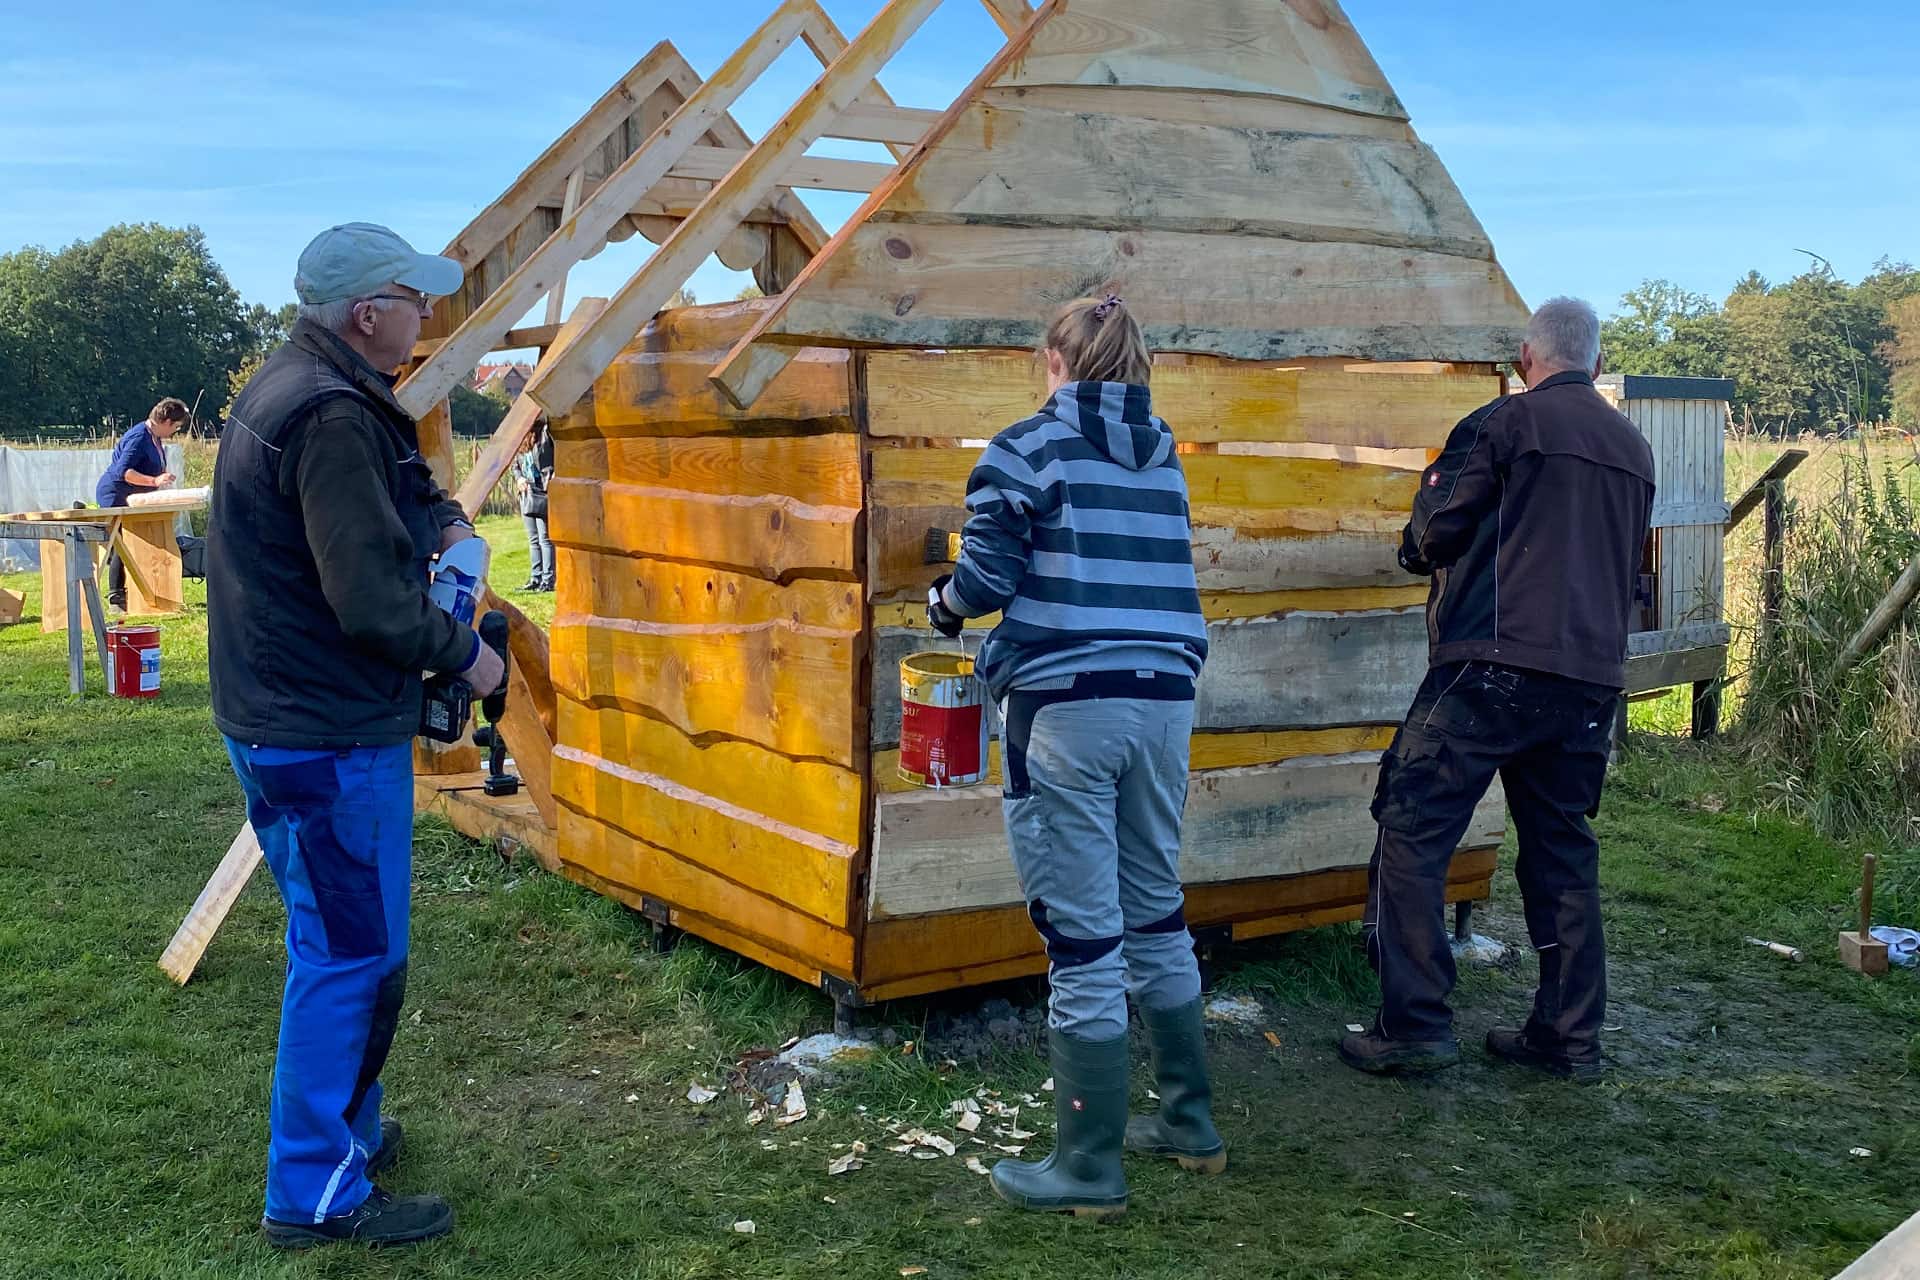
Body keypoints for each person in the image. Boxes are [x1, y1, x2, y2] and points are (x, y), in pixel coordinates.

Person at [207, 222, 504, 1249]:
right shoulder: (327, 412)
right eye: (413, 301)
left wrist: (451, 521)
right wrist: (467, 655)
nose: (426, 317)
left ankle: (349, 1131)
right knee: (347, 953)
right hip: (322, 729)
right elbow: (372, 603)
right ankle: (314, 1191)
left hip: (288, 715)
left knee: (348, 944)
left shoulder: (306, 386)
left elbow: (398, 489)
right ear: (365, 311)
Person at [927, 295, 1223, 1218]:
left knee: (1084, 932)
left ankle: (1087, 1166)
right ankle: (1189, 1123)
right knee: (1156, 908)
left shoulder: (1024, 446)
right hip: (1165, 699)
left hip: (1067, 708)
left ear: (1055, 361)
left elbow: (985, 578)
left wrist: (941, 606)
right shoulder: (1164, 452)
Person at [1338, 297, 1655, 1082]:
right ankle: (1568, 1037)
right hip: (1590, 681)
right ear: (1596, 362)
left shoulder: (1505, 425)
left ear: (1525, 358)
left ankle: (1413, 1024)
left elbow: (1437, 528)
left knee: (1412, 824)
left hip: (1491, 666)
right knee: (1562, 856)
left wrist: (1415, 542)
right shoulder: (1634, 449)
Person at [95, 397, 188, 609]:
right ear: (165, 422)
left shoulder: (154, 438)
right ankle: (116, 597)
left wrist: (160, 475)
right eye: (176, 426)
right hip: (116, 495)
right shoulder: (139, 437)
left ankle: (144, 592)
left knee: (137, 541)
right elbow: (124, 472)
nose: (175, 431)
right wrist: (154, 481)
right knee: (123, 545)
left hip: (135, 497)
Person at [514, 419, 555, 592]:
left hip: (543, 491)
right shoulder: (521, 436)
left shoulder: (546, 432)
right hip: (527, 493)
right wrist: (519, 478)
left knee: (545, 537)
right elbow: (515, 465)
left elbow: (555, 457)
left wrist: (554, 477)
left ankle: (548, 579)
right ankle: (535, 578)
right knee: (533, 539)